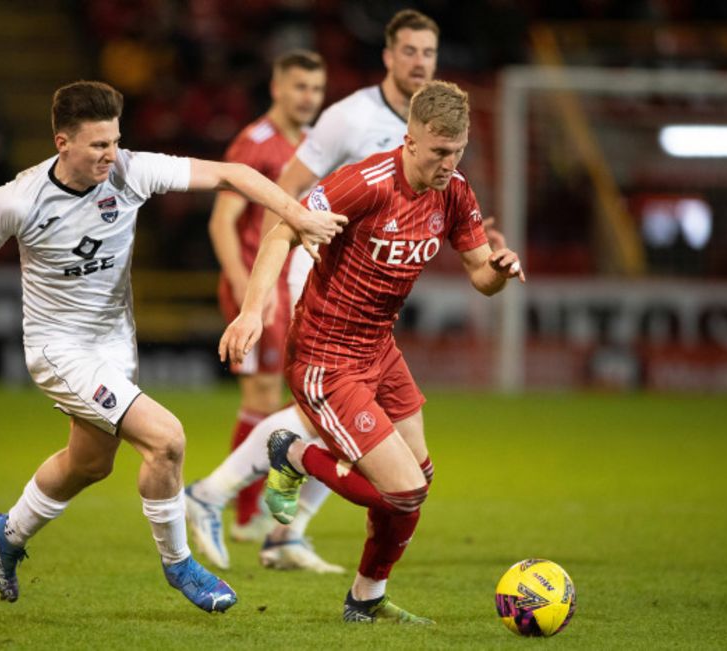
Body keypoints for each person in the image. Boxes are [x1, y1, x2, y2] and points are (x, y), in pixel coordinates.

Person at [0, 80, 345, 614]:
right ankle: (180, 564)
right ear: (62, 142)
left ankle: (8, 532)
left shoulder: (130, 171)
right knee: (166, 440)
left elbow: (231, 174)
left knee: (89, 463)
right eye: (98, 144)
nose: (110, 154)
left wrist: (297, 215)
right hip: (59, 349)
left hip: (116, 344)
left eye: (115, 141)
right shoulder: (16, 201)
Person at [188, 8, 504, 574]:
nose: (419, 62)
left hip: (374, 328)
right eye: (409, 51)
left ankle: (270, 524)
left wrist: (491, 258)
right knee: (298, 406)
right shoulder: (349, 120)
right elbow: (286, 202)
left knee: (342, 431)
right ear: (388, 56)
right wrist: (260, 295)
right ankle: (238, 499)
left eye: (429, 53)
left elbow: (474, 260)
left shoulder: (446, 160)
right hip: (316, 277)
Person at [220, 80, 525, 623]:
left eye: (457, 151)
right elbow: (282, 231)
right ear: (409, 140)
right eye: (438, 151)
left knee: (419, 480)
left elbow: (481, 274)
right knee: (404, 492)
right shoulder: (364, 183)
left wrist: (499, 270)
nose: (448, 164)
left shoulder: (455, 191)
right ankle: (293, 453)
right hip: (325, 357)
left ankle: (365, 599)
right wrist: (250, 310)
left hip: (379, 351)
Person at [196, 50, 330, 554]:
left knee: (292, 397)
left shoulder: (313, 145)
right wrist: (241, 286)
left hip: (293, 284)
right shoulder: (255, 143)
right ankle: (245, 515)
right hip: (257, 285)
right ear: (276, 88)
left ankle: (255, 506)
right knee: (261, 398)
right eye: (299, 87)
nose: (308, 97)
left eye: (316, 89)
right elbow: (221, 221)